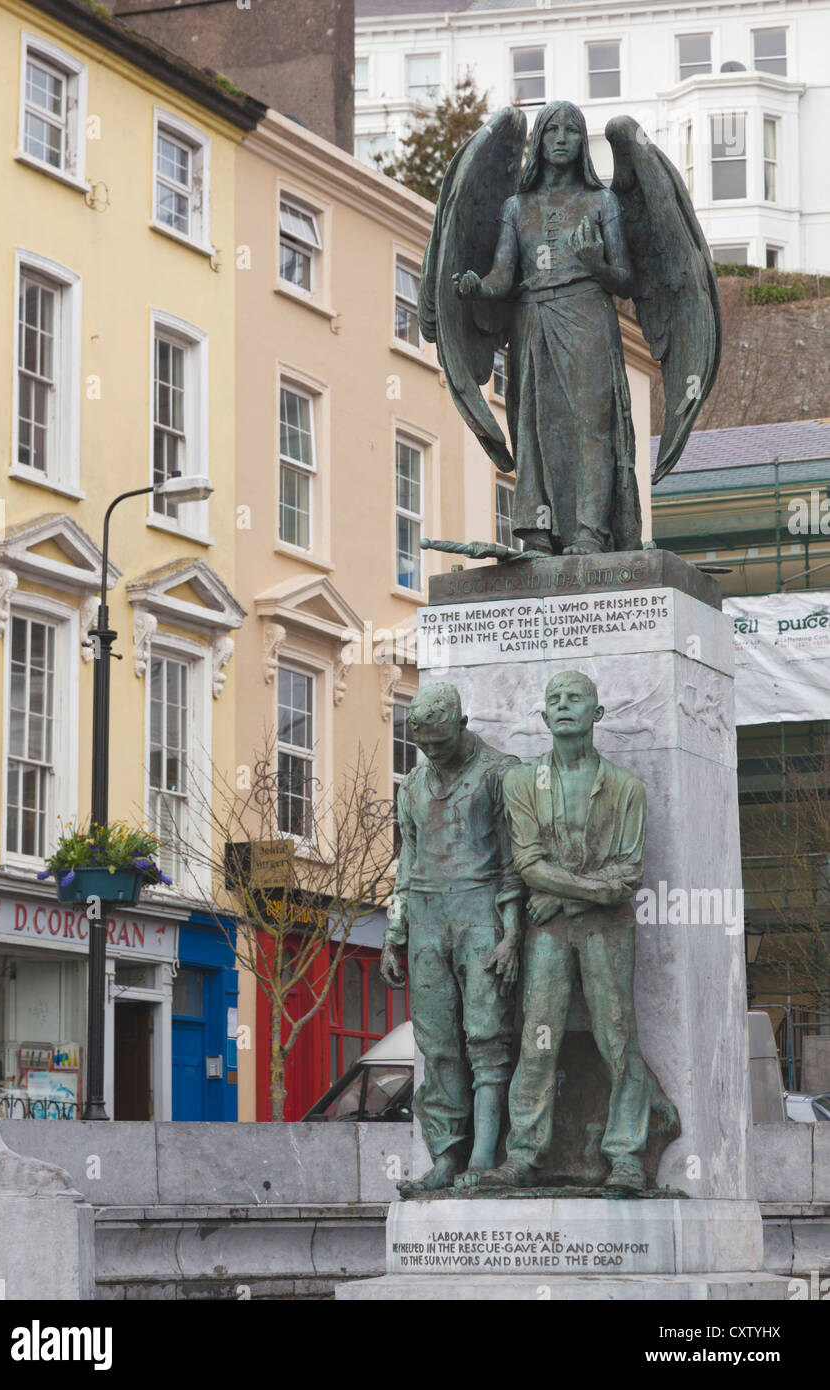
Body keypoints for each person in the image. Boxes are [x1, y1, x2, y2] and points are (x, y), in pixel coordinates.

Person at [473, 669, 656, 1192]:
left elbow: (627, 876)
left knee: (617, 1035)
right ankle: (523, 1154)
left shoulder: (626, 789)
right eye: (554, 699)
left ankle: (626, 1154)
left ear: (597, 714)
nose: (562, 705)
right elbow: (528, 864)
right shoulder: (522, 782)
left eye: (575, 698)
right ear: (545, 714)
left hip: (601, 930)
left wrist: (564, 899)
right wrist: (582, 892)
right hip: (548, 934)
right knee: (538, 1038)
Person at [453, 101, 641, 556]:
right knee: (534, 423)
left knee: (591, 424)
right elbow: (503, 275)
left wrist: (597, 263)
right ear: (538, 141)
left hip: (587, 313)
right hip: (532, 316)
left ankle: (590, 532)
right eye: (551, 130)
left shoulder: (603, 202)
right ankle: (538, 531)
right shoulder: (517, 208)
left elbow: (626, 278)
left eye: (571, 131)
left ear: (582, 142)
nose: (561, 138)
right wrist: (477, 286)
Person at [379, 683, 523, 1192]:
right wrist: (394, 931)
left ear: (463, 724)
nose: (434, 753)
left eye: (441, 742)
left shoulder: (500, 774)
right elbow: (406, 863)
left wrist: (512, 932)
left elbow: (515, 863)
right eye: (425, 745)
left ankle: (484, 1156)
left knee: (486, 1038)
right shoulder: (413, 786)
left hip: (481, 913)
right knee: (436, 1043)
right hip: (426, 918)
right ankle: (445, 1157)